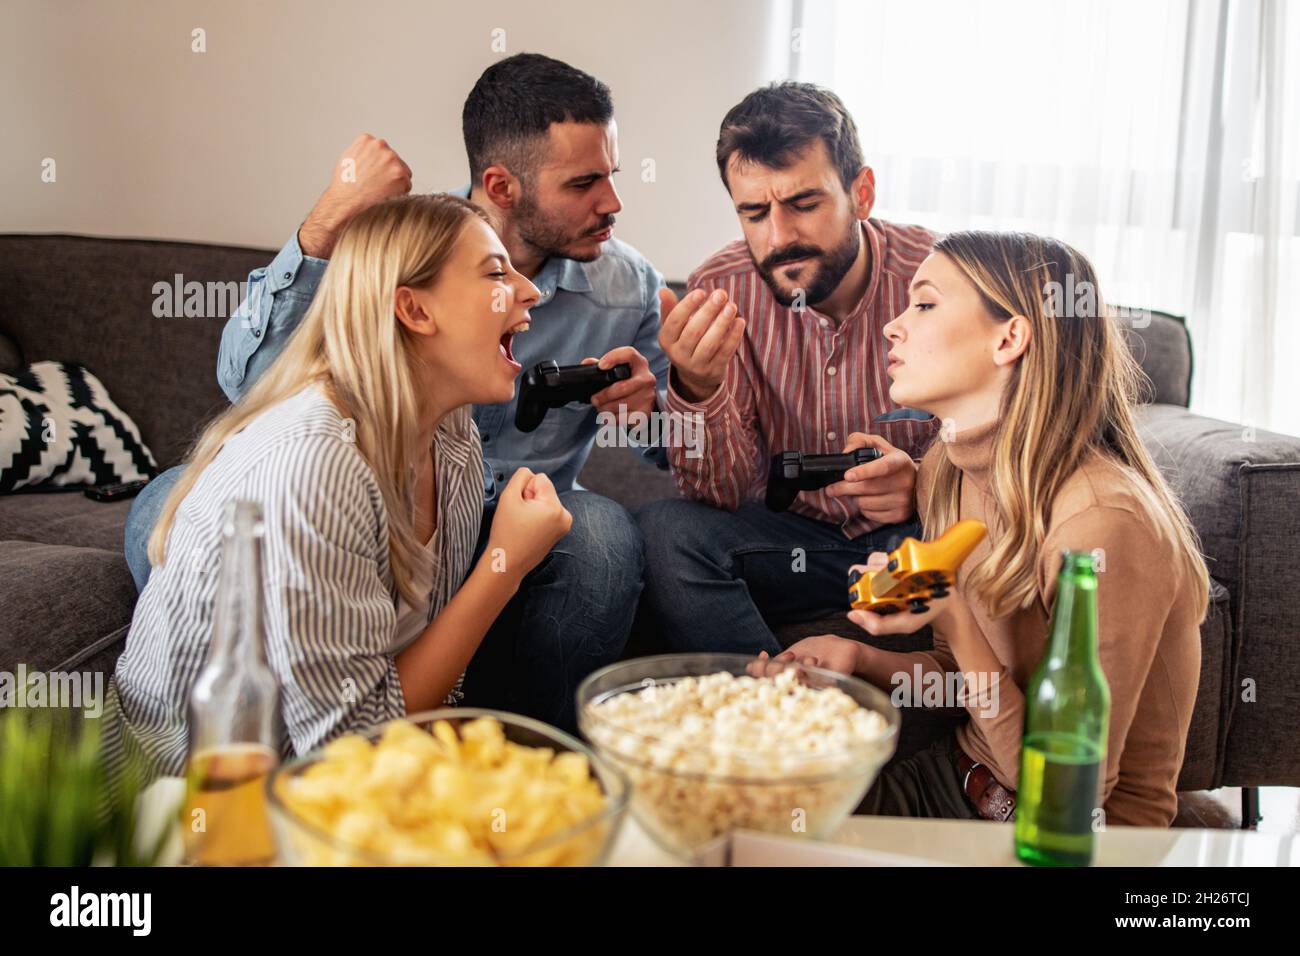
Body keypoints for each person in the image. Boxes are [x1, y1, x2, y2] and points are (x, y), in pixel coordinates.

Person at [123, 53, 670, 733]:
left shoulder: (459, 435)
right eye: (585, 182)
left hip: (502, 507)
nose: (613, 203)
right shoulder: (401, 251)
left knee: (602, 537)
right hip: (363, 500)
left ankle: (516, 748)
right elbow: (257, 394)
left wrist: (662, 408)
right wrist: (324, 225)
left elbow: (666, 446)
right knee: (173, 507)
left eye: (612, 176)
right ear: (501, 185)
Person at [105, 193, 572, 780]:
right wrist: (505, 563)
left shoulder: (450, 431)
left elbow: (423, 691)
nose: (531, 291)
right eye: (495, 273)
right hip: (193, 802)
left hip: (340, 783)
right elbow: (349, 743)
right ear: (415, 310)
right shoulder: (316, 460)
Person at [772, 231, 1208, 826]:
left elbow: (1069, 796)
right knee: (746, 812)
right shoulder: (949, 472)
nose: (892, 327)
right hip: (954, 783)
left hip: (1068, 836)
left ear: (1009, 338)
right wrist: (857, 658)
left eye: (924, 305)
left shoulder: (1105, 525)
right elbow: (961, 679)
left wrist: (948, 610)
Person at [640, 82, 938, 654]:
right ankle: (772, 713)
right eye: (754, 213)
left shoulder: (936, 277)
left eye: (804, 205)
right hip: (786, 545)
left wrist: (926, 487)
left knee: (980, 545)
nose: (779, 238)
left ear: (862, 193)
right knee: (664, 533)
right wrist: (696, 388)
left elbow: (1002, 451)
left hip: (914, 542)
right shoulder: (720, 289)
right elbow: (717, 497)